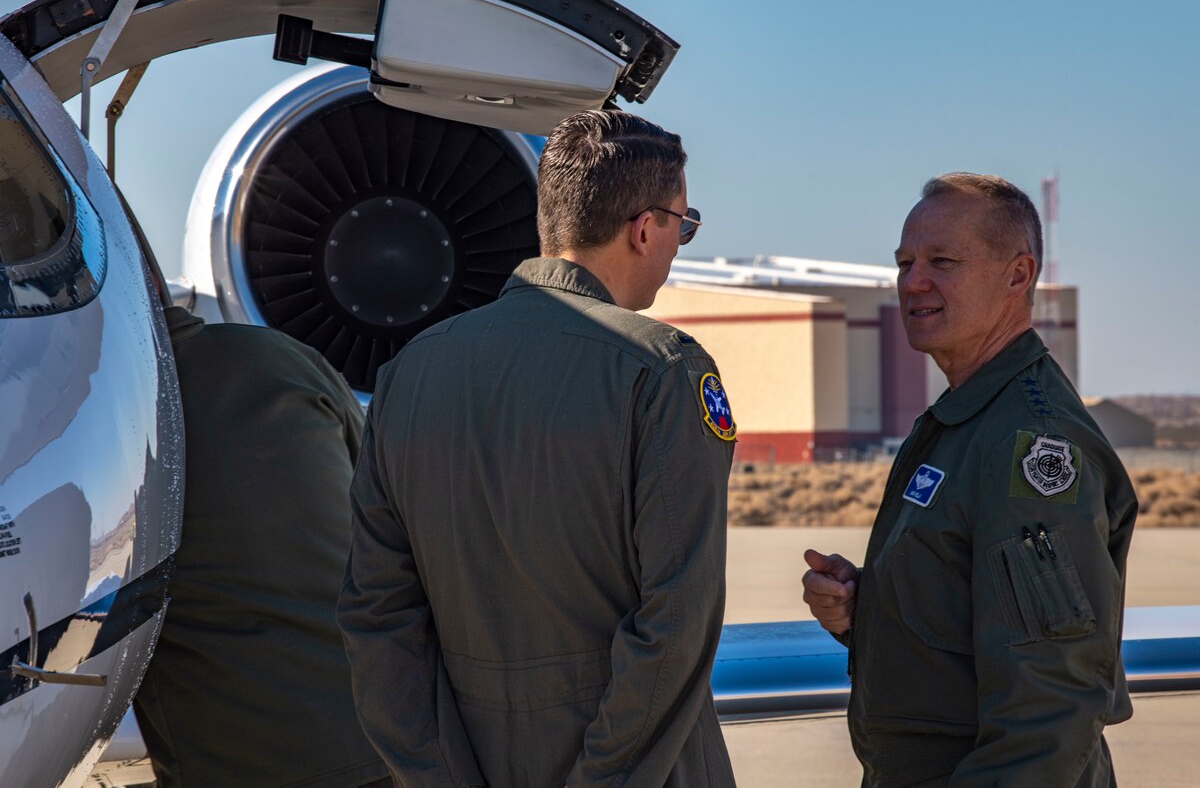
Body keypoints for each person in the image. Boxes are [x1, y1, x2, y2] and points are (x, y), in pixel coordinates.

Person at [338, 109, 738, 788]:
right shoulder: (663, 370)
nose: (678, 247)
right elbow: (676, 623)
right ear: (645, 229)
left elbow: (379, 618)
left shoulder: (410, 373)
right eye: (683, 224)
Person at [802, 173, 1137, 787]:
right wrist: (869, 608)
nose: (914, 282)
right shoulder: (966, 421)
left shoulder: (1028, 445)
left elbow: (1051, 707)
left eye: (942, 261)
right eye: (905, 262)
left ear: (1017, 275)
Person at [132, 304, 390, 788]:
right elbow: (381, 513)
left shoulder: (90, 411)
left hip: (245, 764)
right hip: (390, 741)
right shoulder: (282, 358)